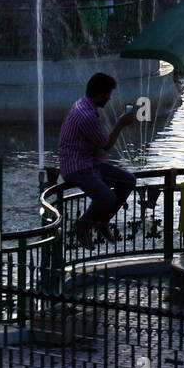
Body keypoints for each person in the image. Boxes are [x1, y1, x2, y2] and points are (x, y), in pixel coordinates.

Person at [58, 72, 139, 249]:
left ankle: (102, 221)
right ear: (101, 94)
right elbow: (106, 144)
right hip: (76, 166)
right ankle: (82, 226)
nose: (109, 98)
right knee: (107, 197)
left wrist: (101, 165)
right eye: (108, 94)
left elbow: (96, 145)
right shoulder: (86, 115)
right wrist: (120, 124)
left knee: (128, 180)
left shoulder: (83, 105)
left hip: (90, 162)